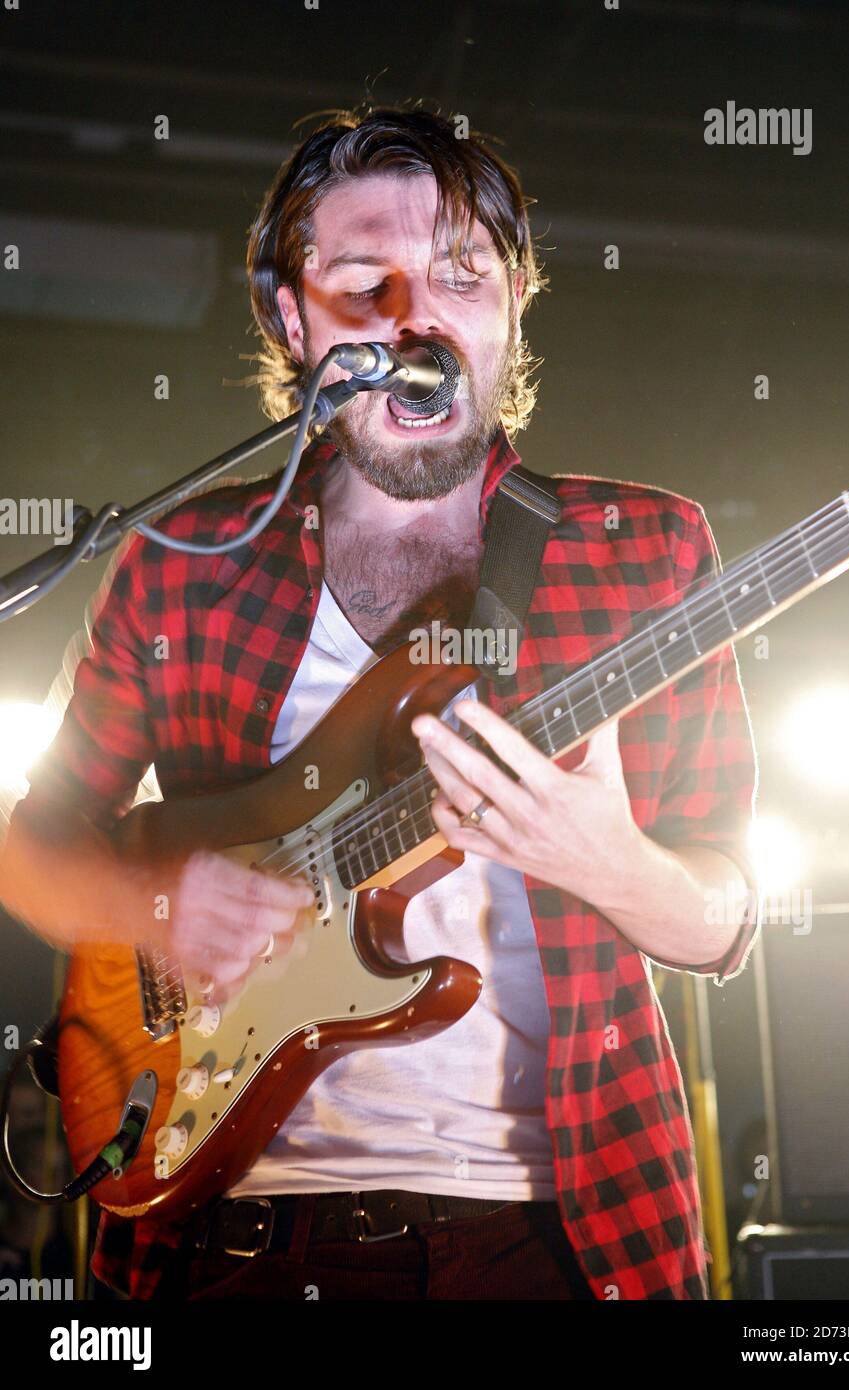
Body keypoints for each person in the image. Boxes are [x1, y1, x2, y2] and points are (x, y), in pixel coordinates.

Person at [0, 105, 759, 1301]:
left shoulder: (646, 552)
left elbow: (722, 918)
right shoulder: (179, 559)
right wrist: (154, 903)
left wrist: (608, 863)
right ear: (292, 320)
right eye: (367, 281)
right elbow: (28, 844)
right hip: (224, 1237)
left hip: (545, 1237)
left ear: (510, 307)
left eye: (463, 276)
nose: (421, 316)